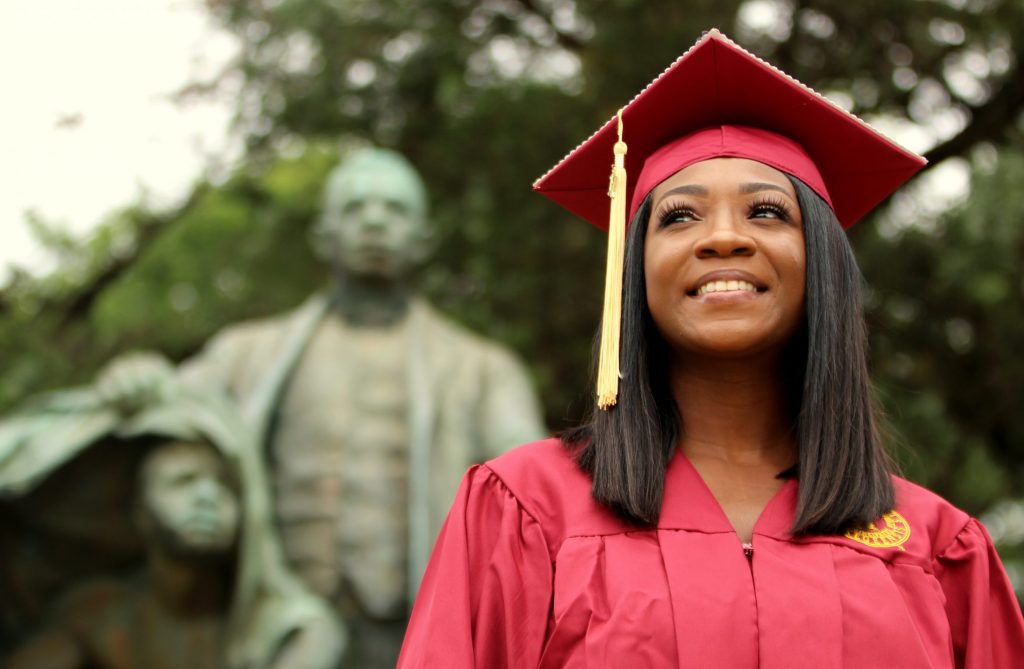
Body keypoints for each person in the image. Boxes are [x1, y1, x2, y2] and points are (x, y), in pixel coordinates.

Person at [397, 30, 1024, 667]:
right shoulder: (526, 509)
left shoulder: (938, 546)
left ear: (824, 265)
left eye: (768, 212)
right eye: (679, 216)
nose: (723, 238)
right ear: (633, 269)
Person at [99, 148, 547, 667]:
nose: (375, 220)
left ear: (424, 239)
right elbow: (169, 410)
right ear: (324, 235)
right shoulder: (246, 353)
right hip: (276, 630)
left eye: (395, 209)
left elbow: (532, 482)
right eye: (355, 208)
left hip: (418, 631)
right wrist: (138, 378)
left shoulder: (481, 369)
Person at [0, 363, 344, 669]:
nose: (207, 498)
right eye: (183, 482)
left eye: (225, 485)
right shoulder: (99, 613)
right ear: (139, 512)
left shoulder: (295, 631)